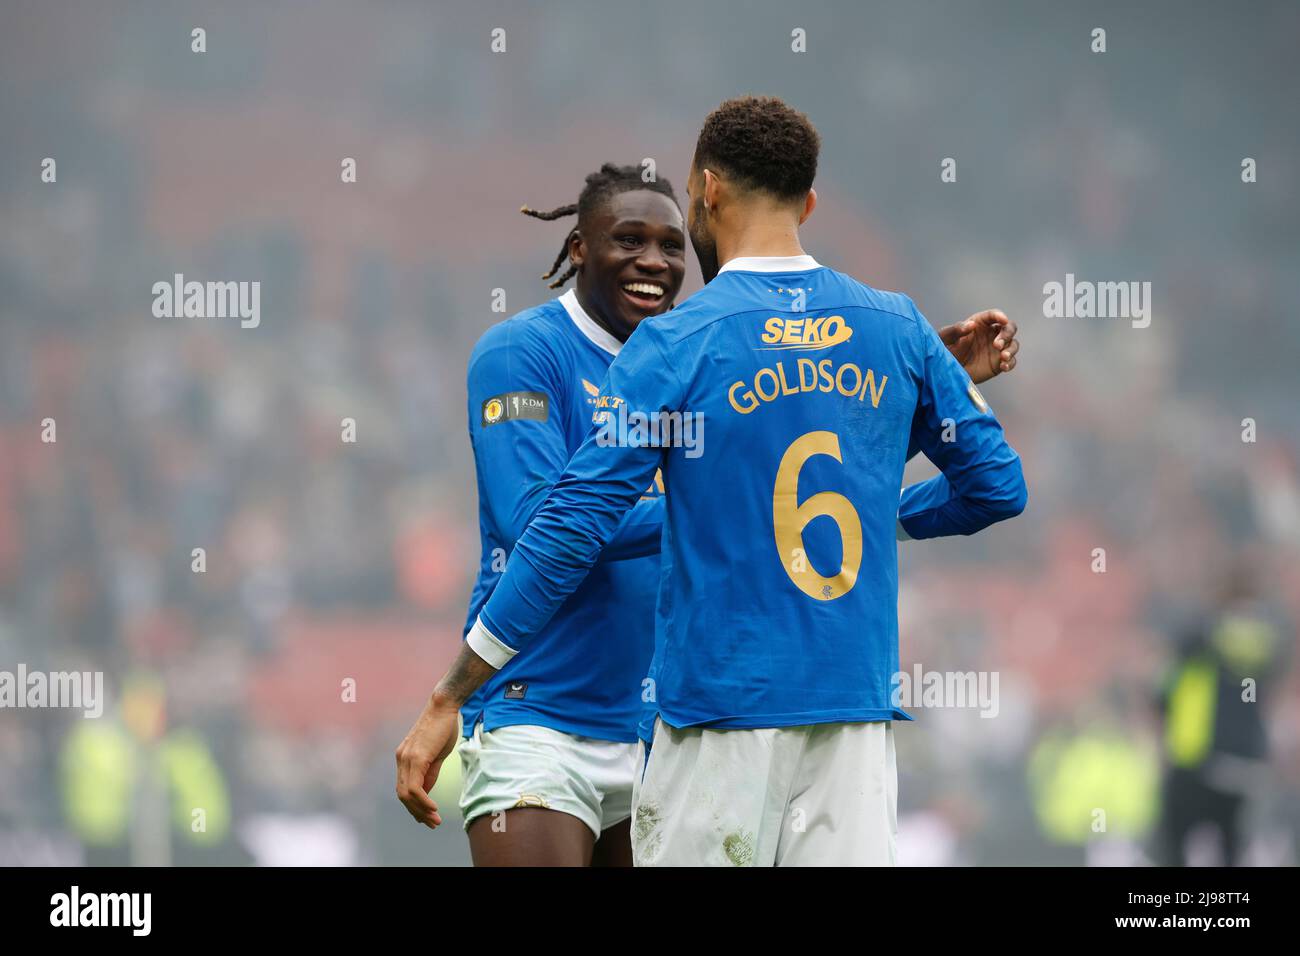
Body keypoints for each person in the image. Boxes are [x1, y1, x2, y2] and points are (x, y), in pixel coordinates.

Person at [399, 119, 1023, 864]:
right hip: (551, 714)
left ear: (708, 194)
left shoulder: (684, 344)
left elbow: (786, 491)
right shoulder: (527, 352)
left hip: (681, 719)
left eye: (669, 243)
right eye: (629, 240)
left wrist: (902, 408)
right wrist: (881, 414)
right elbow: (542, 522)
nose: (656, 261)